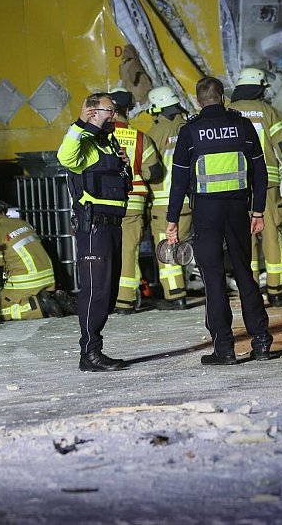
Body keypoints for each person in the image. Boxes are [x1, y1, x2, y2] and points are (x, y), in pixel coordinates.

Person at [165, 77, 274, 365]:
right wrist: (258, 211)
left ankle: (224, 349)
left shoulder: (190, 132)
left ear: (199, 102)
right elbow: (260, 173)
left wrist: (172, 219)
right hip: (238, 209)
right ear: (223, 98)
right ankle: (261, 342)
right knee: (244, 274)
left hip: (206, 213)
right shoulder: (243, 126)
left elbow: (178, 181)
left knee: (213, 279)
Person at [57, 93, 132, 372]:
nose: (115, 116)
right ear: (92, 112)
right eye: (110, 111)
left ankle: (93, 349)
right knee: (95, 291)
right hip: (94, 228)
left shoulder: (108, 144)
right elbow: (64, 156)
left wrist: (124, 164)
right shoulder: (83, 142)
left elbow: (121, 182)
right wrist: (79, 125)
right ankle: (89, 353)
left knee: (108, 293)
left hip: (112, 226)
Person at [229, 68, 282, 307]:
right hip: (266, 185)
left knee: (243, 238)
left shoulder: (227, 113)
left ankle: (249, 292)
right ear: (259, 89)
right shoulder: (268, 112)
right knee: (271, 234)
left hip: (235, 187)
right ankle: (277, 291)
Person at [108, 88, 162, 315]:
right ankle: (125, 301)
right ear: (128, 110)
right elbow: (154, 173)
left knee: (106, 252)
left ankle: (106, 298)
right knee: (129, 251)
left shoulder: (99, 136)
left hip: (105, 204)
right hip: (132, 204)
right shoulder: (140, 138)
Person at [145, 85, 193, 310]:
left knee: (168, 249)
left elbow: (148, 168)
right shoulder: (189, 127)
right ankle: (180, 290)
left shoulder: (156, 132)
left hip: (165, 203)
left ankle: (175, 295)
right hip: (190, 202)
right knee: (182, 246)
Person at [0, 200, 64, 320]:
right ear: (3, 212)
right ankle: (54, 299)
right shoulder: (22, 223)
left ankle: (39, 306)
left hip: (26, 283)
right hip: (49, 278)